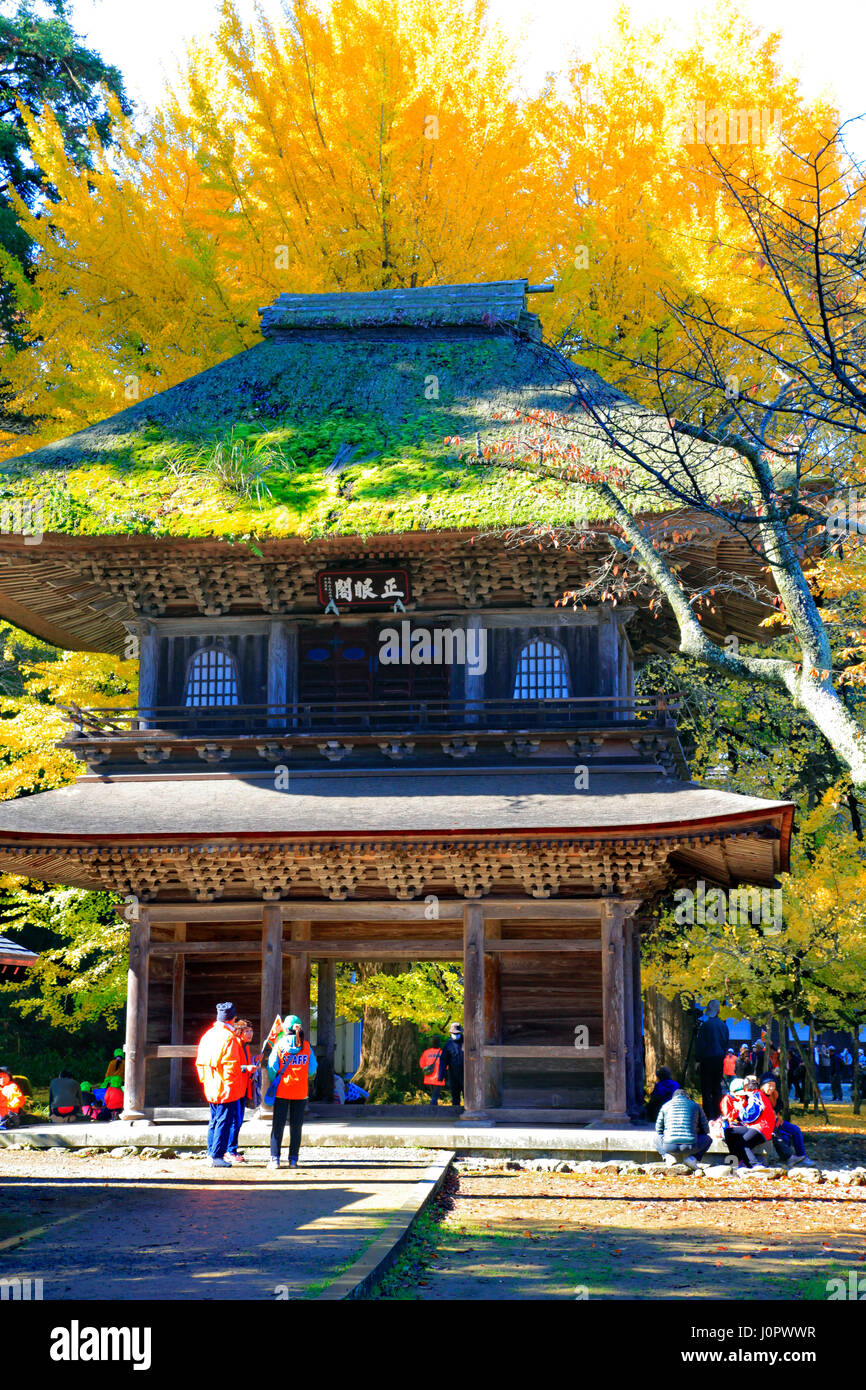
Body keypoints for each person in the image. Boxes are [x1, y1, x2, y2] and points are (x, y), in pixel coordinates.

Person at [195, 1000, 246, 1169]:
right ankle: (217, 1155)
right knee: (224, 1122)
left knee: (214, 1121)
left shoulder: (207, 1035)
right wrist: (232, 1086)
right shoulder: (229, 1037)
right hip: (226, 1087)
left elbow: (200, 1063)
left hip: (211, 1084)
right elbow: (231, 1065)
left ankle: (211, 1153)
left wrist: (205, 1081)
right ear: (232, 1019)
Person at [266, 1015, 317, 1170]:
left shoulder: (279, 1045)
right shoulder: (306, 1046)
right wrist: (301, 1076)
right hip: (300, 1091)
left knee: (278, 1125)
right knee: (296, 1126)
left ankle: (275, 1159)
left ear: (285, 1028)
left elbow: (272, 1067)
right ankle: (293, 1160)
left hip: (282, 1090)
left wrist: (276, 1079)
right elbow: (313, 1068)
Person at [724, 1075, 774, 1174]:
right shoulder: (756, 1095)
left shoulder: (756, 1096)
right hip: (755, 1126)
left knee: (742, 1143)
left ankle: (754, 1164)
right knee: (729, 1132)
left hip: (762, 1128)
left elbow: (750, 1116)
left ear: (746, 1088)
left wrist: (740, 1108)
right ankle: (735, 1161)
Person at [227, 1018, 261, 1165]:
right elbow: (233, 1066)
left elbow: (245, 1062)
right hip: (235, 1087)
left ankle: (231, 1149)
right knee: (235, 1120)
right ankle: (230, 1150)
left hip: (242, 1087)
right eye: (247, 1031)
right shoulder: (235, 1045)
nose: (250, 1034)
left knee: (238, 1120)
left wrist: (254, 1060)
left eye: (251, 1031)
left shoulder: (245, 1047)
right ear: (239, 1032)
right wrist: (246, 1068)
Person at [654, 1087, 711, 1170]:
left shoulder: (665, 1106)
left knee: (656, 1138)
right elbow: (706, 1129)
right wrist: (696, 1130)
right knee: (708, 1139)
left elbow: (658, 1129)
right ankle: (692, 1159)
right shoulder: (695, 1106)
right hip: (691, 1146)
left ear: (673, 1097)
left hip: (669, 1146)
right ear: (688, 1097)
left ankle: (668, 1157)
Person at [760, 1078, 811, 1167]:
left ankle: (802, 1156)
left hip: (778, 1121)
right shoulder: (759, 1096)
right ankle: (788, 1159)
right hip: (768, 1125)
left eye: (774, 1086)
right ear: (762, 1086)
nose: (772, 1088)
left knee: (796, 1129)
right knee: (784, 1137)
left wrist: (775, 1113)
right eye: (769, 1085)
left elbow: (780, 1106)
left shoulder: (775, 1094)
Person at [694, 1001, 729, 1120]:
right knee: (717, 1088)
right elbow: (725, 1043)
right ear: (718, 1011)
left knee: (706, 1089)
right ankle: (717, 1113)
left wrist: (697, 1060)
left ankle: (708, 1116)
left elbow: (700, 1044)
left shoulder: (705, 1025)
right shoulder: (724, 1026)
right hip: (719, 1059)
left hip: (707, 1059)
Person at [438, 1022, 464, 1108]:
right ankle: (455, 1112)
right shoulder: (448, 1045)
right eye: (454, 1033)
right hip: (453, 1073)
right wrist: (441, 1076)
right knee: (455, 1095)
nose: (455, 1035)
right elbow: (443, 1061)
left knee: (468, 1095)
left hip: (467, 1074)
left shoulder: (467, 1043)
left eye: (457, 1033)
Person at [419, 1036, 446, 1110]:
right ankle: (432, 1108)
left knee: (434, 1095)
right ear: (439, 1043)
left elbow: (422, 1064)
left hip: (429, 1077)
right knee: (435, 1095)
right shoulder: (442, 1053)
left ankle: (434, 1109)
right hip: (439, 1077)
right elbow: (446, 1066)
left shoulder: (426, 1052)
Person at [0, 1066, 26, 1130]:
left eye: (5, 1077)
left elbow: (19, 1101)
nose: (2, 1079)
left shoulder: (13, 1087)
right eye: (0, 1077)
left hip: (9, 1117)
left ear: (9, 1077)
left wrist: (5, 1105)